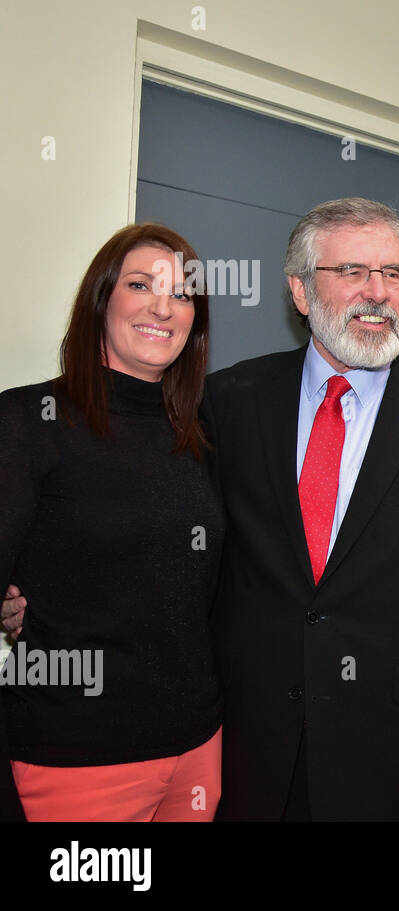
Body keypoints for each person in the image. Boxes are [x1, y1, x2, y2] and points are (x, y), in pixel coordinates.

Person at [201, 198, 399, 821]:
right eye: (353, 272)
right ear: (301, 292)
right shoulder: (231, 400)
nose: (379, 292)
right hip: (249, 754)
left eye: (393, 274)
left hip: (395, 764)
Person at [0, 224, 223, 821]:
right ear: (102, 300)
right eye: (141, 284)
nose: (161, 306)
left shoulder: (202, 438)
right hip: (74, 761)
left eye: (181, 294)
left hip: (197, 754)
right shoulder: (26, 421)